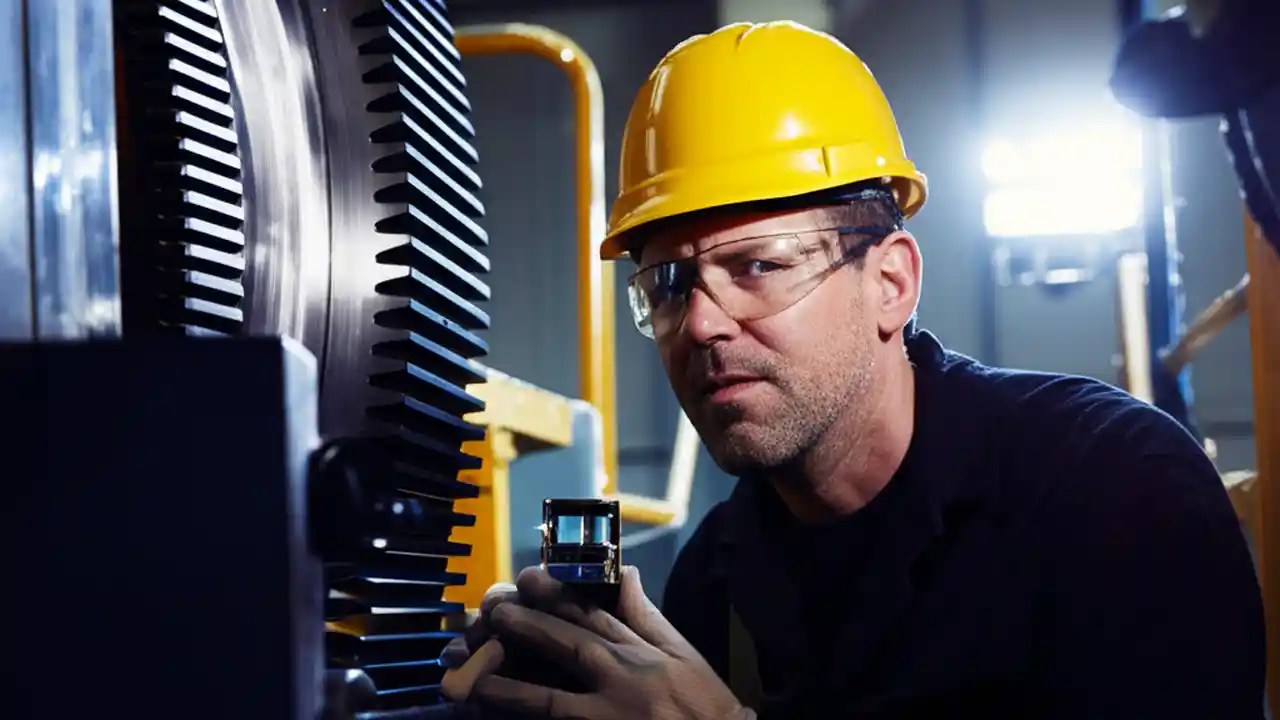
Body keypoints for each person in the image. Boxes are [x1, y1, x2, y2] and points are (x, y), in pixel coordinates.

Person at [441, 20, 1267, 719]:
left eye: (758, 266)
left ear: (891, 283)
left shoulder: (1113, 491)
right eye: (667, 284)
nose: (699, 322)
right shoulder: (717, 580)